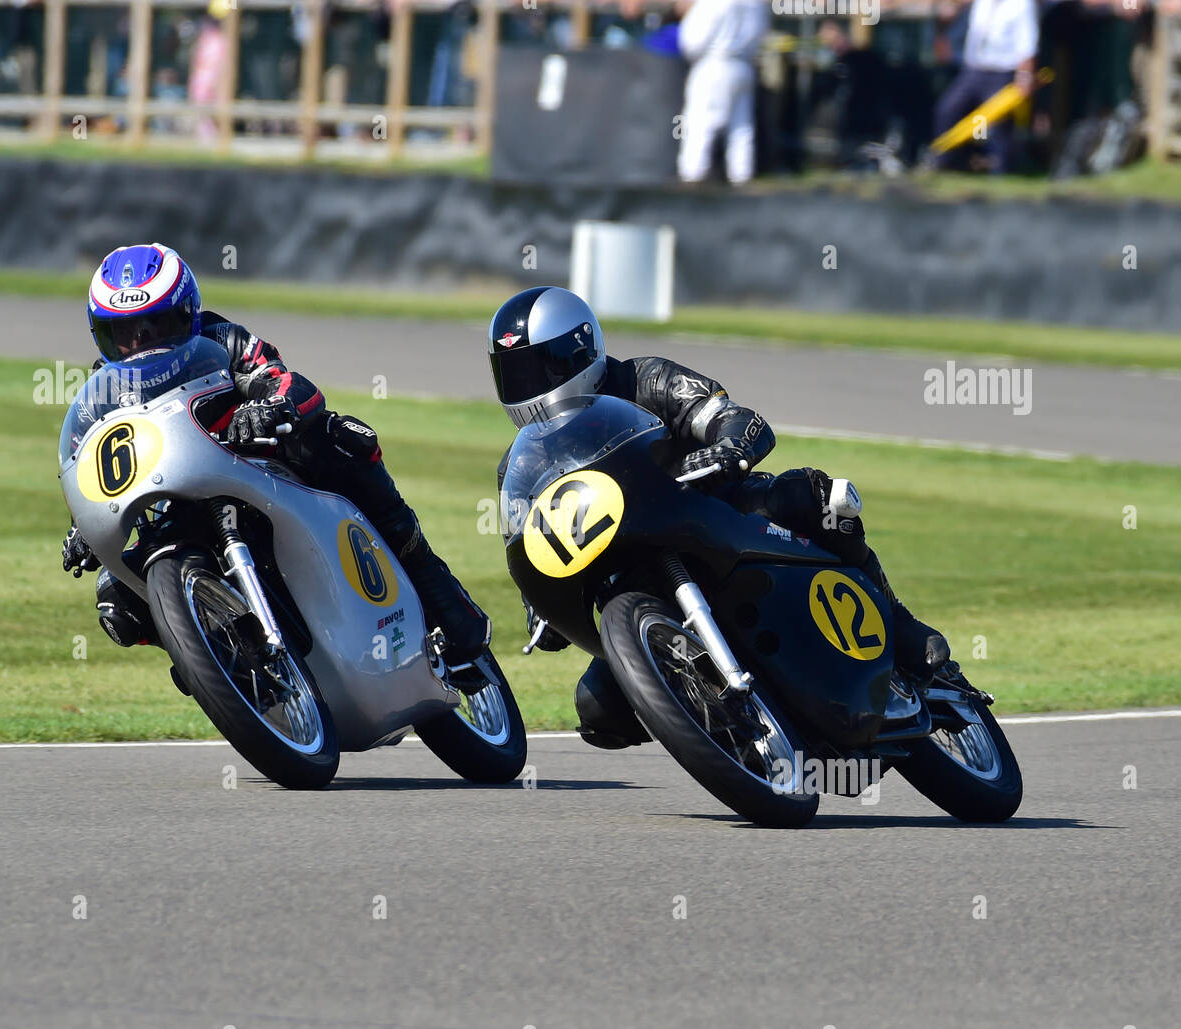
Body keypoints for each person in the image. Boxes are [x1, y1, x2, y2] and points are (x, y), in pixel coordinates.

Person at [489, 286, 953, 749]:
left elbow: (737, 418)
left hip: (717, 509)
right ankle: (737, 738)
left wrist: (728, 449)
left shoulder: (647, 380)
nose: (527, 388)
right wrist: (541, 608)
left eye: (537, 369)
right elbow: (531, 544)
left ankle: (900, 624)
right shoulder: (519, 464)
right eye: (514, 375)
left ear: (579, 351)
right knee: (598, 710)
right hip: (635, 579)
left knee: (814, 498)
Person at [62, 243, 490, 666]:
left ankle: (444, 601)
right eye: (124, 334)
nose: (141, 344)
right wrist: (85, 523)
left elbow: (282, 378)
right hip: (178, 497)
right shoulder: (103, 392)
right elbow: (90, 461)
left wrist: (268, 407)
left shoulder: (223, 339)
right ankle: (211, 658)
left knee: (339, 439)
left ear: (186, 315)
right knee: (114, 598)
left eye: (154, 327)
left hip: (254, 464)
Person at [931, 0, 1039, 174]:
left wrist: (1024, 77)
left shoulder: (1022, 4)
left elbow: (1027, 45)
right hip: (973, 71)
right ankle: (947, 166)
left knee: (999, 125)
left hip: (1003, 73)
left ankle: (1003, 170)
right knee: (948, 110)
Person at [675, 0, 769, 185]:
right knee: (741, 127)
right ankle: (741, 175)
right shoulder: (757, 3)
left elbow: (692, 41)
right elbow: (760, 34)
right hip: (743, 64)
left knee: (700, 124)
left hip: (713, 63)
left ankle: (692, 176)